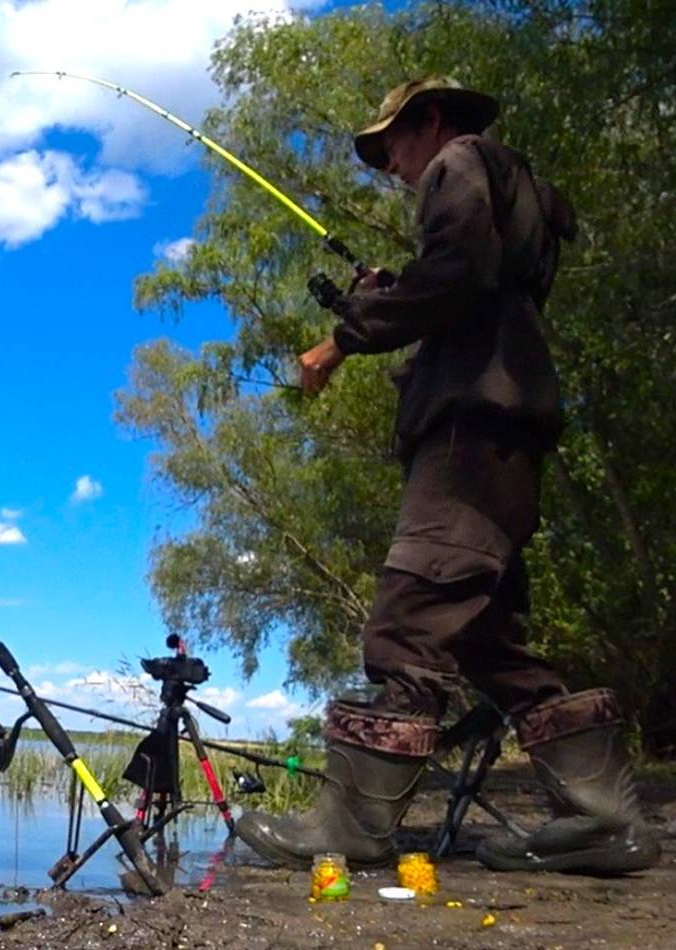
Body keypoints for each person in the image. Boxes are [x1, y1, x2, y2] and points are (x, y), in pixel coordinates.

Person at [234, 77, 659, 875]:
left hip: (471, 432)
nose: (386, 167)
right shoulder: (514, 191)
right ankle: (600, 819)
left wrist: (342, 338)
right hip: (505, 429)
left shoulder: (457, 160)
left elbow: (455, 274)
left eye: (387, 147)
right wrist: (397, 294)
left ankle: (354, 826)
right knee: (486, 639)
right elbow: (465, 287)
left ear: (425, 123)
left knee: (409, 612)